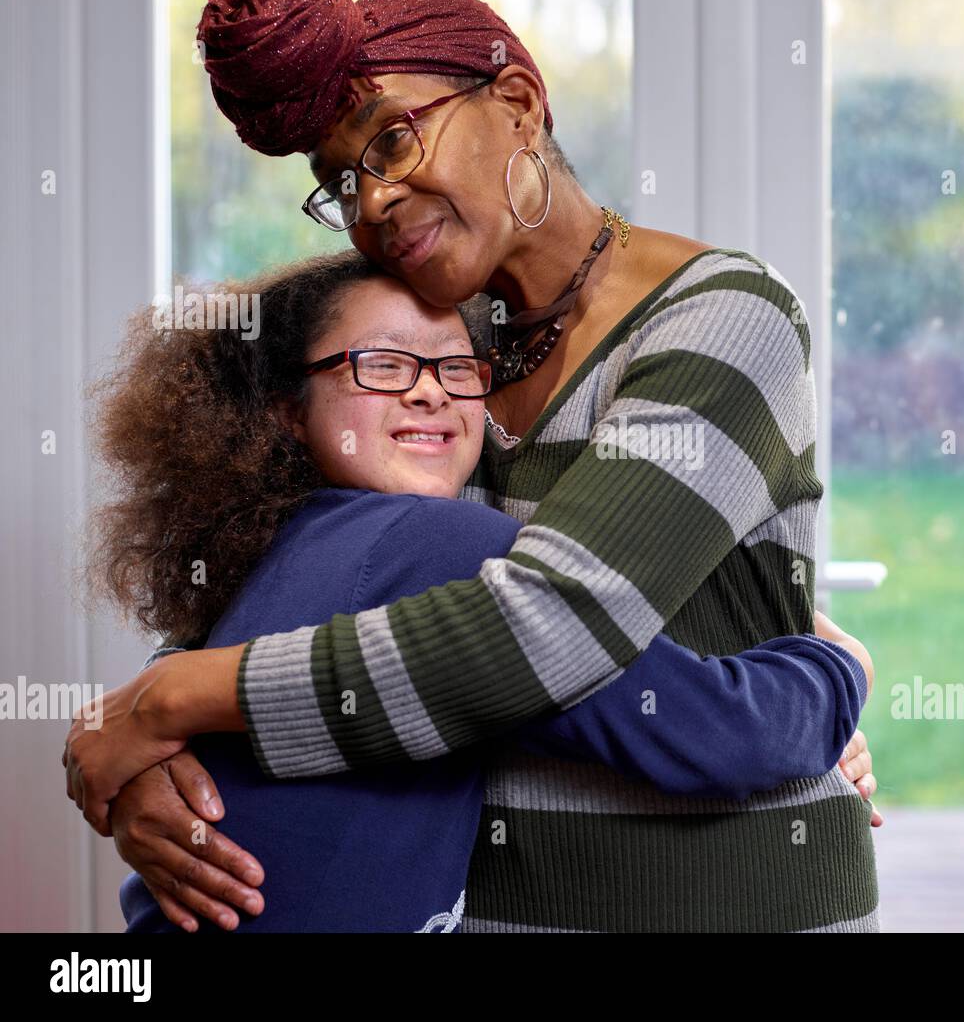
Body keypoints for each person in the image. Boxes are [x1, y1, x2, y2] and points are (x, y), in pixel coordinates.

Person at [66, 0, 882, 932]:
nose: (371, 201)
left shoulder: (722, 317)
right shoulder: (450, 352)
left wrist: (173, 701)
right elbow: (303, 563)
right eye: (341, 181)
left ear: (519, 102)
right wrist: (152, 749)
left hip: (733, 902)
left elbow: (553, 624)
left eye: (392, 139)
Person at [91, 252, 870, 932]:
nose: (430, 392)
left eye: (456, 368)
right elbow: (720, 733)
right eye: (384, 364)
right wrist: (842, 668)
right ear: (289, 411)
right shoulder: (443, 543)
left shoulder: (281, 541)